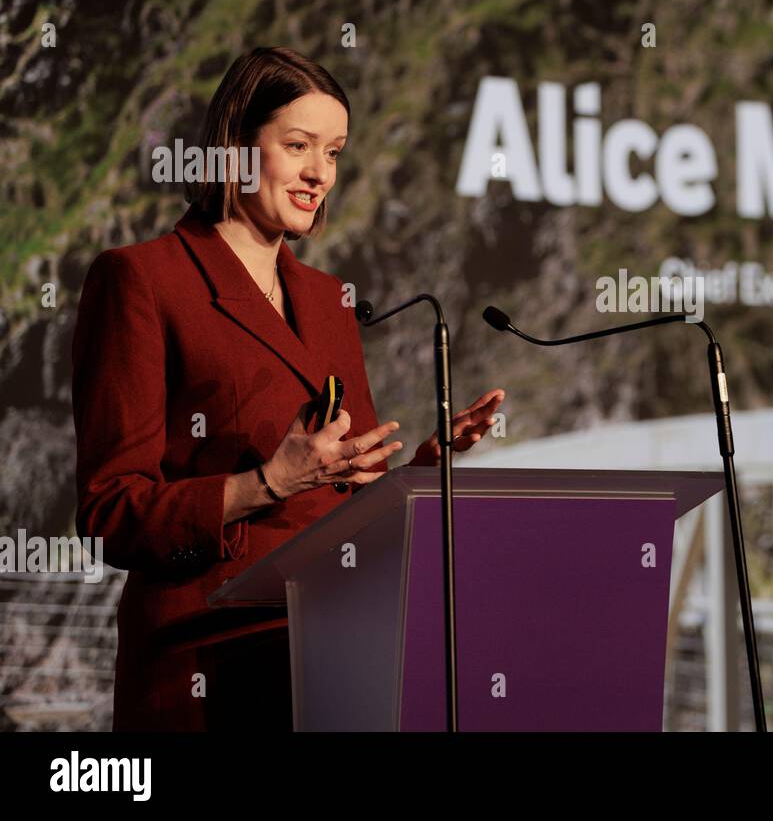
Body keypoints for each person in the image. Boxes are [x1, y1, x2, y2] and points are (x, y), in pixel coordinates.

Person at [71, 46, 504, 730]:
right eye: (298, 145)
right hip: (204, 664)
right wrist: (265, 484)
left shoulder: (328, 299)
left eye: (333, 153)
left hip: (327, 656)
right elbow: (110, 513)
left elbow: (345, 500)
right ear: (237, 146)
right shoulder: (143, 280)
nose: (318, 174)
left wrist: (420, 474)